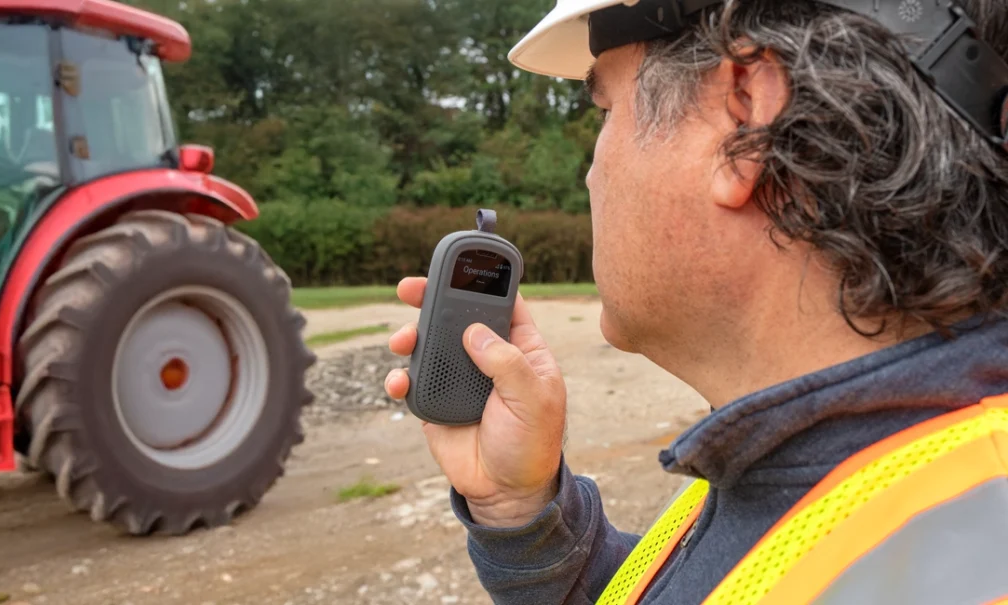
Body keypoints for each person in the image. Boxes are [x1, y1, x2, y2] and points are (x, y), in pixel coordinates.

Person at [384, 0, 1008, 603]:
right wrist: (520, 513)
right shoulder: (856, 476)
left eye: (606, 110)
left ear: (746, 121)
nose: (591, 173)